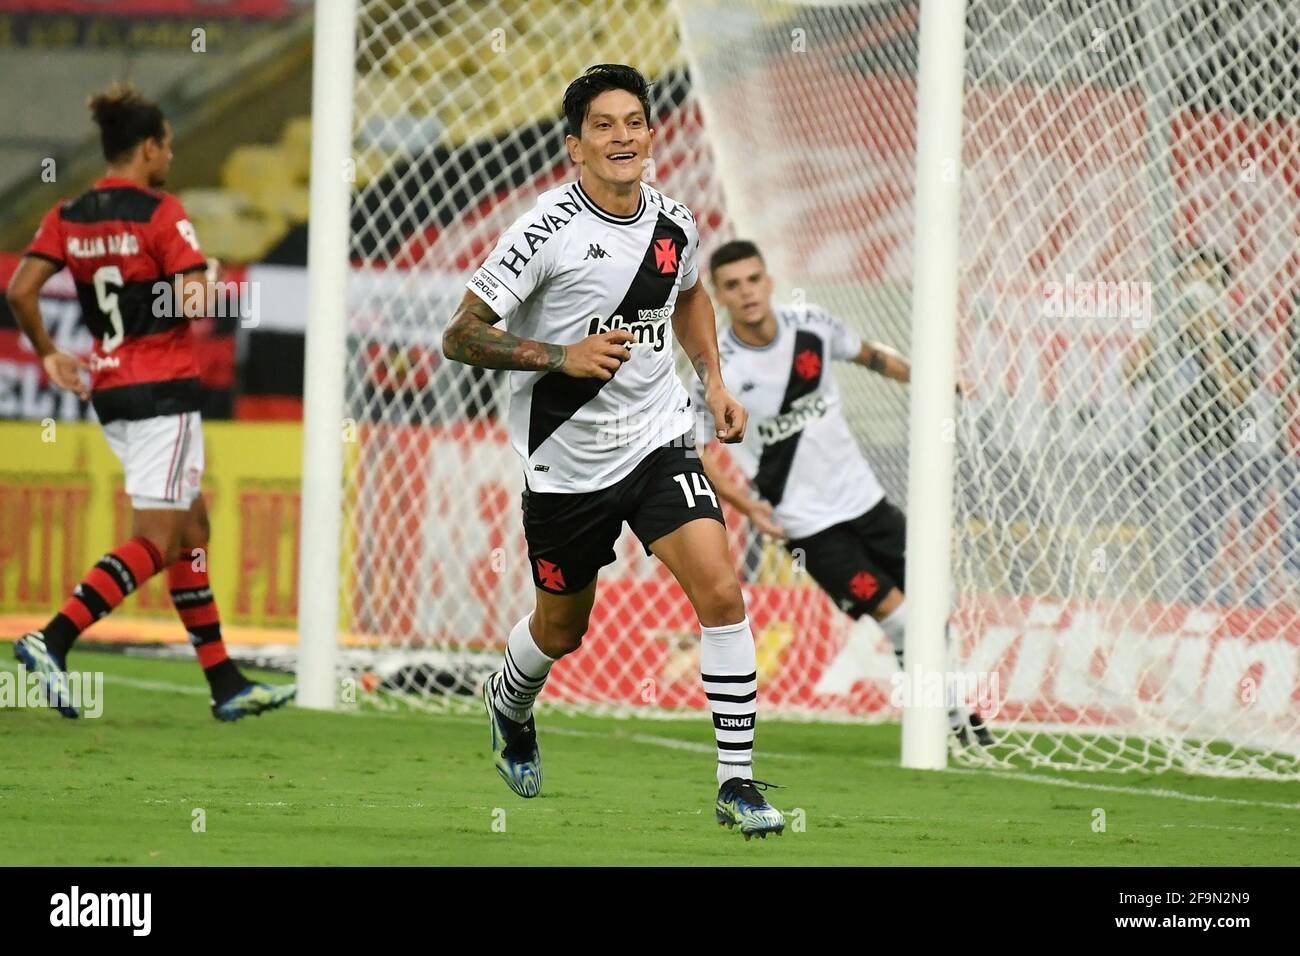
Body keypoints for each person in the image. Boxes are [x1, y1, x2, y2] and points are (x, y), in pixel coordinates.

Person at [441, 65, 783, 838]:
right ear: (574, 146)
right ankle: (509, 700)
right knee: (562, 631)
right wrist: (560, 357)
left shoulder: (674, 222)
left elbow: (690, 292)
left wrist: (715, 380)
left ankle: (737, 784)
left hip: (660, 440)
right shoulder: (542, 231)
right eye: (604, 125)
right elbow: (459, 335)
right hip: (566, 465)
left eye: (634, 121)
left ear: (651, 134)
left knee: (724, 595)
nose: (623, 135)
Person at [6, 84, 295, 721]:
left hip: (109, 389)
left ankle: (225, 684)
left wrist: (50, 352)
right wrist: (212, 275)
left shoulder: (70, 212)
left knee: (192, 530)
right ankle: (51, 637)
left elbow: (23, 289)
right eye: (165, 142)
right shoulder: (163, 213)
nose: (170, 153)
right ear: (146, 149)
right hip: (163, 391)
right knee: (160, 537)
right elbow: (192, 304)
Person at [692, 239, 993, 745]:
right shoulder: (719, 373)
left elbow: (873, 357)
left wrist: (933, 380)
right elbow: (696, 449)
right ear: (719, 296)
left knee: (935, 607)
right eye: (732, 285)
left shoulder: (812, 326)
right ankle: (952, 719)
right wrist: (748, 508)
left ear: (768, 281)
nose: (746, 292)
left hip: (867, 502)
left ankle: (939, 710)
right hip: (806, 526)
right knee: (901, 620)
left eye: (753, 279)